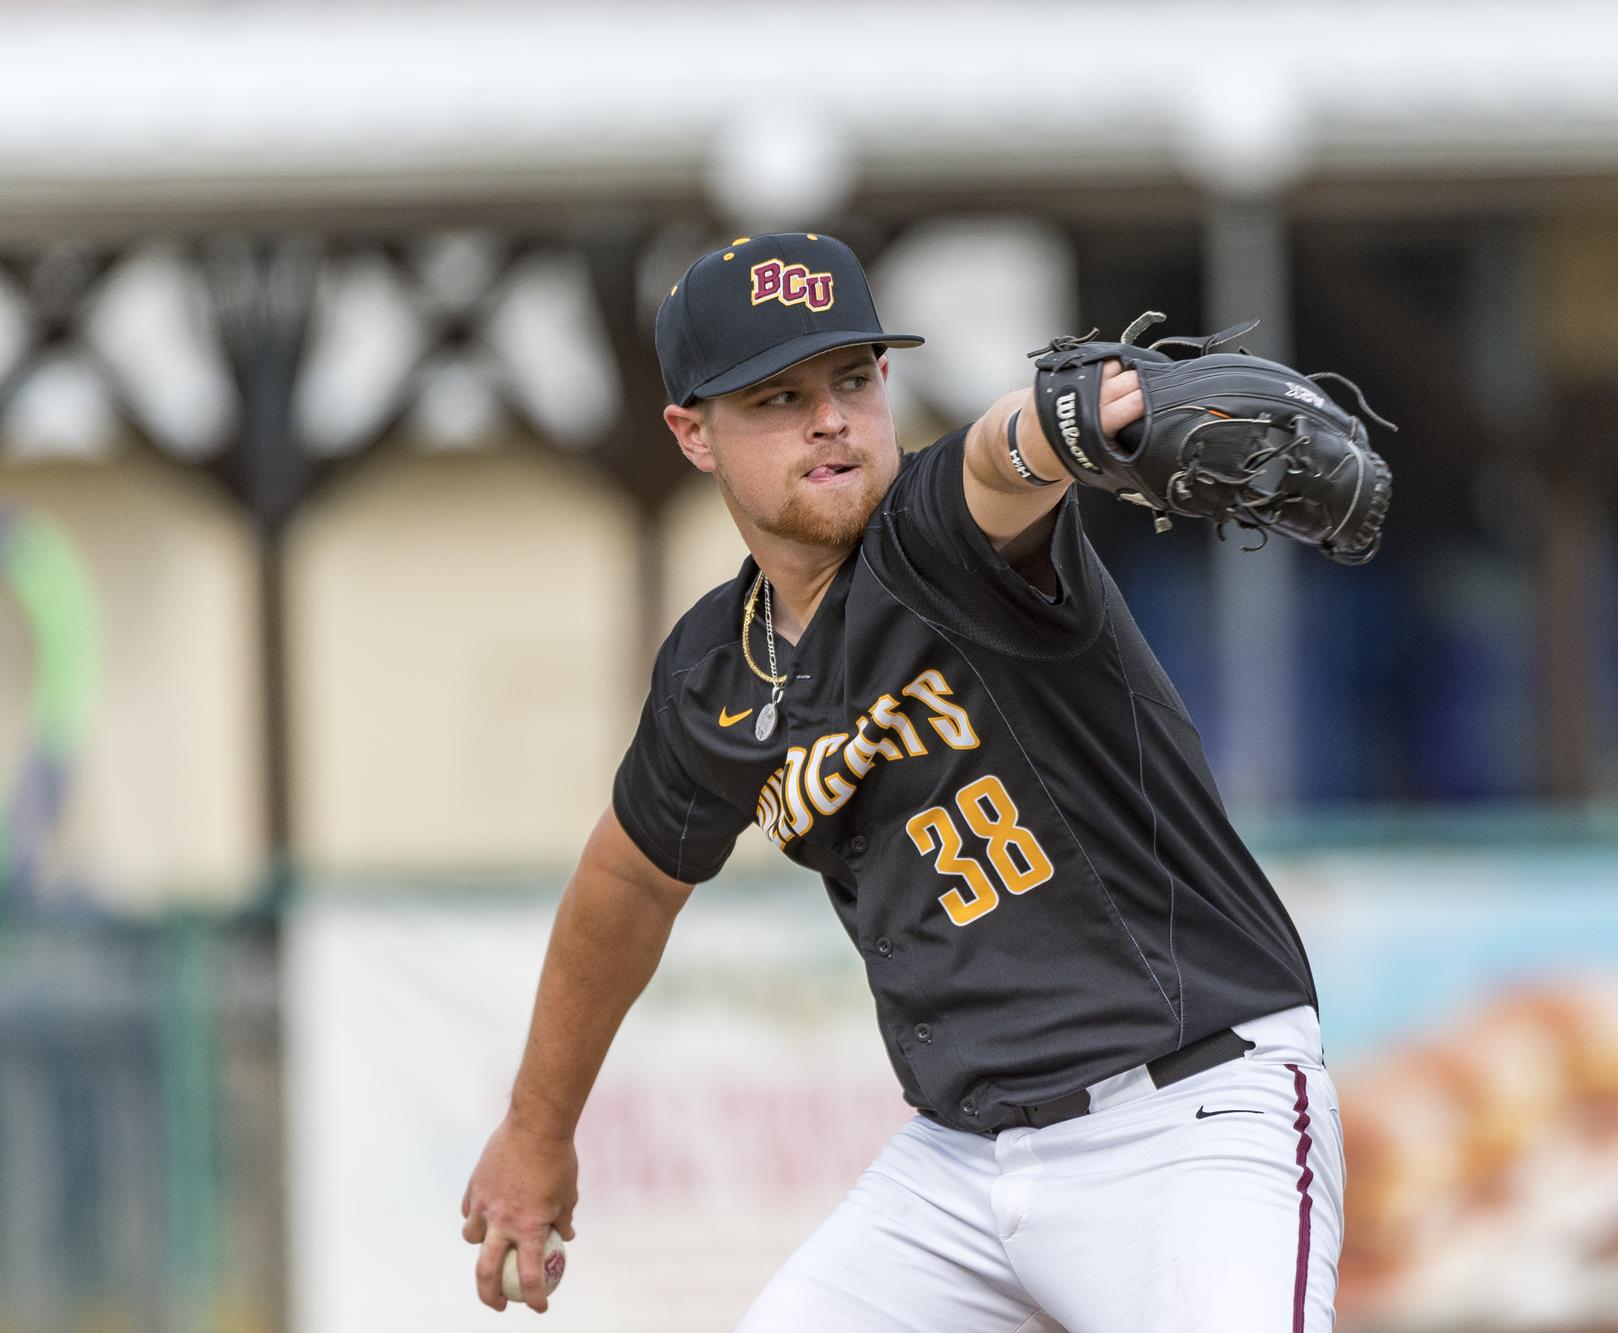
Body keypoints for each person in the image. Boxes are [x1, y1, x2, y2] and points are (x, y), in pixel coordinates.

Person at [460, 232, 1345, 1331]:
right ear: (693, 433)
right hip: (960, 1167)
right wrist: (538, 1130)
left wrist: (1076, 417)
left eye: (849, 377)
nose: (827, 416)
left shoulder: (937, 539)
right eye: (775, 397)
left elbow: (998, 460)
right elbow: (626, 883)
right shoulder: (714, 674)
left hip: (1185, 1114)